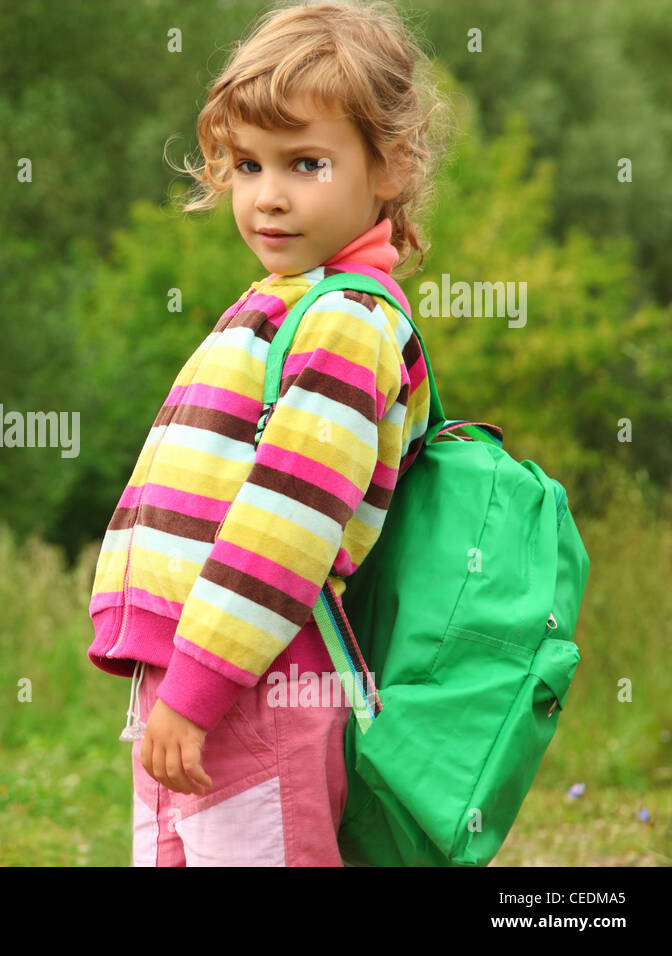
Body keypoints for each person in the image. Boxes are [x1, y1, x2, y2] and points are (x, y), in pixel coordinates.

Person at [86, 0, 450, 866]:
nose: (267, 196)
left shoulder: (346, 322)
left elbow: (284, 529)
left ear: (390, 167)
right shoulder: (282, 306)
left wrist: (200, 689)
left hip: (255, 678)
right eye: (248, 164)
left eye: (306, 163)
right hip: (196, 675)